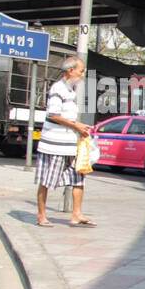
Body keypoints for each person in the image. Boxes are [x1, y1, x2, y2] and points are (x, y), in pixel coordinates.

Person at [35, 57, 95, 227]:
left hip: (69, 146)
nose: (82, 74)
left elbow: (68, 117)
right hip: (53, 144)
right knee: (46, 181)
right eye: (81, 71)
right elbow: (53, 115)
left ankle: (77, 214)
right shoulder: (58, 88)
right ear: (70, 70)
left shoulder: (71, 90)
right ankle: (41, 216)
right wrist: (76, 126)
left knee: (78, 178)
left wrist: (80, 126)